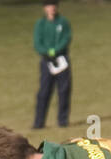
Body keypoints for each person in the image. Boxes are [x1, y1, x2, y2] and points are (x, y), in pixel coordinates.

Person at [33, 1, 72, 130]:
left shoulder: (63, 22)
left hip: (61, 59)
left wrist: (55, 50)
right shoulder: (41, 24)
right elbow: (37, 42)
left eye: (54, 5)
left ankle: (63, 120)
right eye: (49, 6)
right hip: (46, 61)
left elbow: (66, 38)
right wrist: (46, 52)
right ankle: (39, 122)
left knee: (64, 90)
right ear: (45, 8)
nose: (52, 8)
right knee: (44, 91)